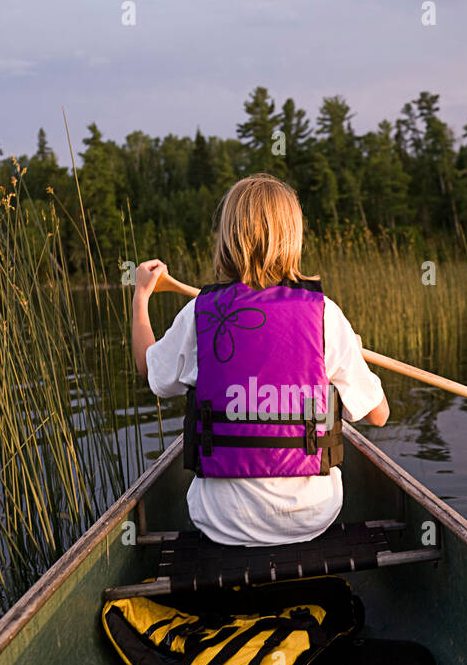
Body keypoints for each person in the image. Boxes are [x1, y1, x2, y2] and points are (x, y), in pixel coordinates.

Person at [131, 174, 389, 547]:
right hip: (313, 517)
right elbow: (378, 415)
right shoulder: (325, 315)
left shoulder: (200, 314)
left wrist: (141, 297)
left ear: (227, 239)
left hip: (223, 521)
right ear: (293, 238)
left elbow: (148, 368)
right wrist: (351, 348)